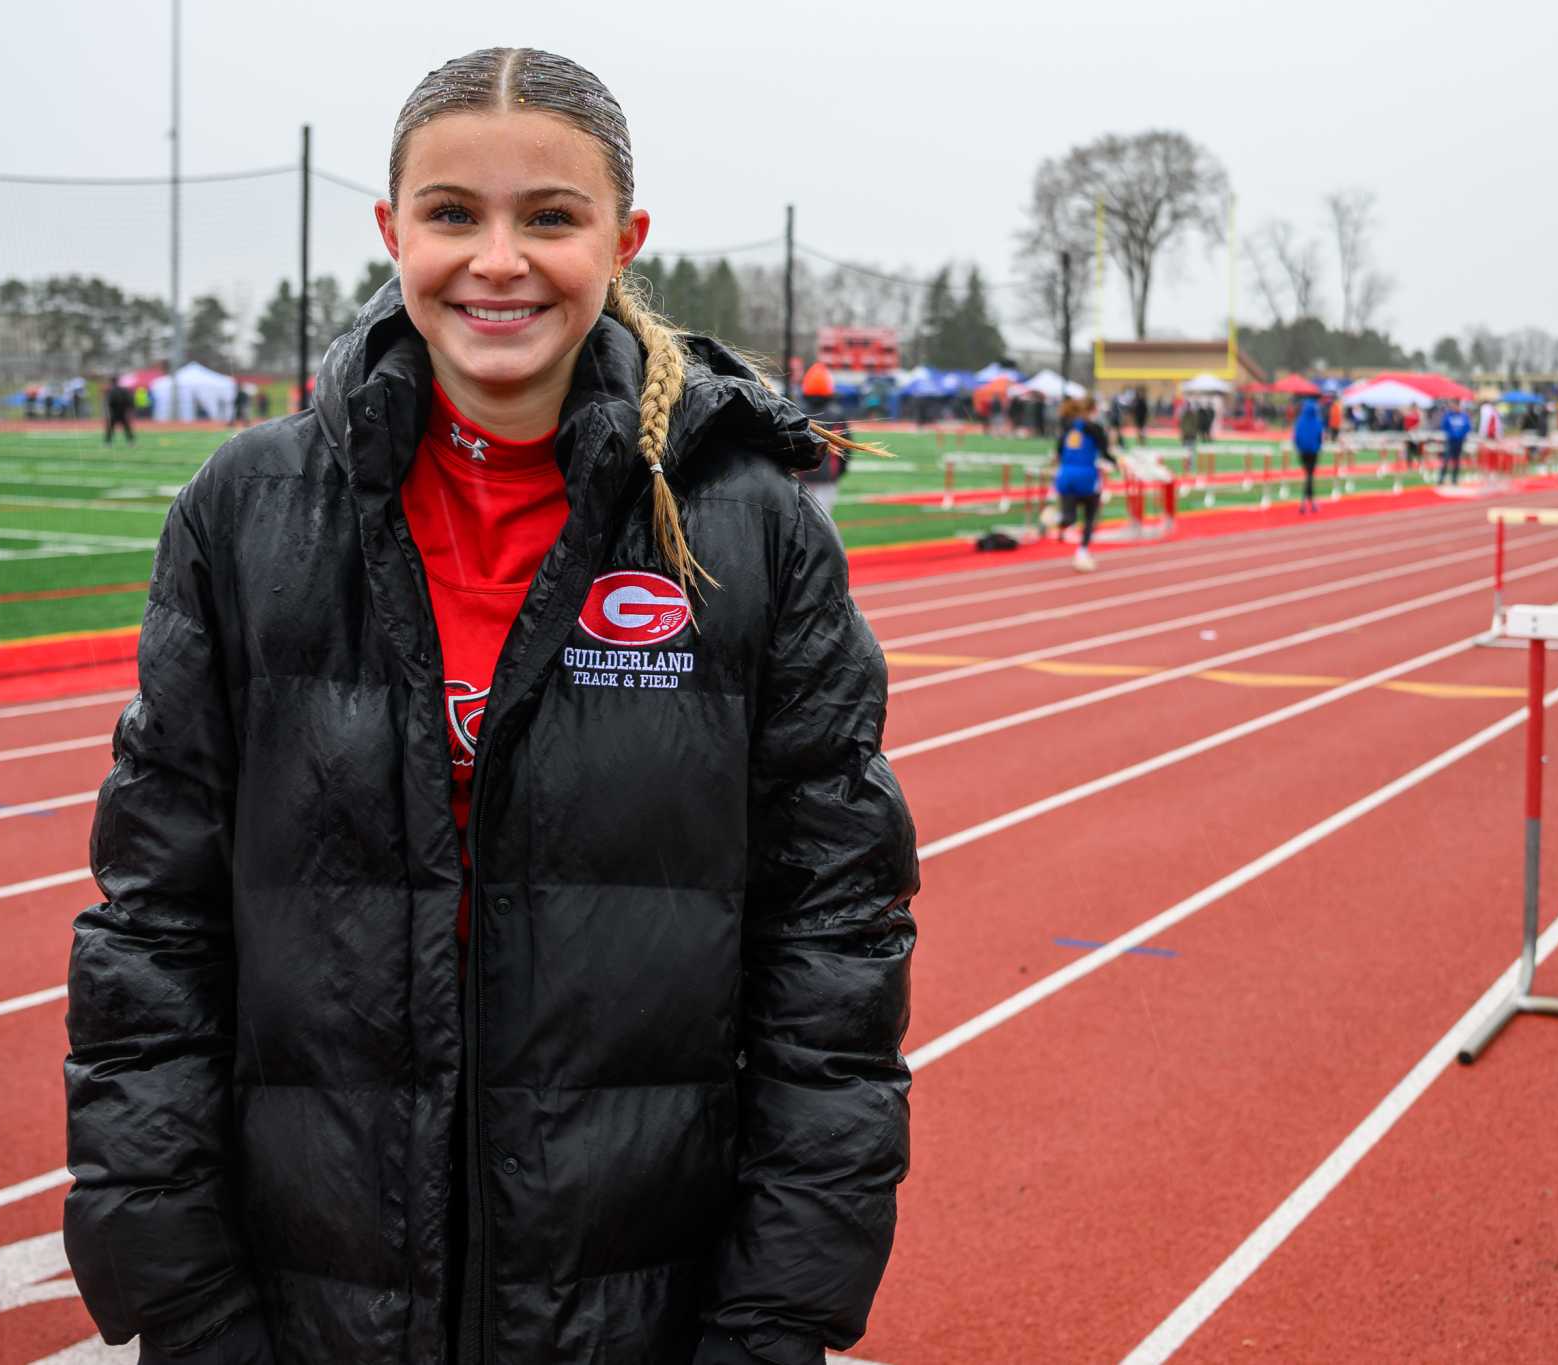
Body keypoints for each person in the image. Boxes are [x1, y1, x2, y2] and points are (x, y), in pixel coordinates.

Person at [63, 47, 918, 1365]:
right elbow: (153, 935)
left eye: (552, 218)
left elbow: (833, 956)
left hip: (636, 1302)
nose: (499, 259)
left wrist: (773, 1320)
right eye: (453, 213)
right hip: (303, 1303)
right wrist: (182, 1295)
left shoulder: (751, 531)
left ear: (624, 238)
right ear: (391, 228)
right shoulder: (243, 512)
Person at [1050, 394, 1121, 568]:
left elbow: (1058, 453)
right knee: (1091, 515)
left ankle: (1058, 517)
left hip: (1065, 475)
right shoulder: (1095, 428)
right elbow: (1105, 453)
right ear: (1094, 410)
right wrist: (1117, 462)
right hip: (1086, 477)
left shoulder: (1067, 428)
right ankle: (1082, 551)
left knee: (1069, 517)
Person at [1292, 394, 1325, 512]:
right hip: (1313, 452)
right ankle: (1307, 502)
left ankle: (1308, 502)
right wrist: (1319, 446)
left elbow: (1295, 437)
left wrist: (1299, 447)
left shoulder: (1300, 421)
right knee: (1309, 476)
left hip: (1303, 452)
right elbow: (1321, 437)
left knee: (1308, 475)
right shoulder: (1317, 421)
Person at [1438, 399, 1471, 485]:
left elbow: (1467, 427)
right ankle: (1441, 478)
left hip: (1459, 441)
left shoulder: (1464, 416)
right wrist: (1451, 433)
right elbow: (1444, 426)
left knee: (1456, 460)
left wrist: (1461, 435)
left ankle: (1454, 479)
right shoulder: (1448, 415)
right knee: (1446, 459)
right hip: (1450, 441)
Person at [103, 378, 136, 445]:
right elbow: (130, 400)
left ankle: (108, 442)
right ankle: (131, 441)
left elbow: (108, 402)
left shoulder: (110, 391)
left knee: (110, 427)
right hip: (123, 411)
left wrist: (108, 411)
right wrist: (130, 409)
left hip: (113, 412)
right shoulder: (124, 390)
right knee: (127, 427)